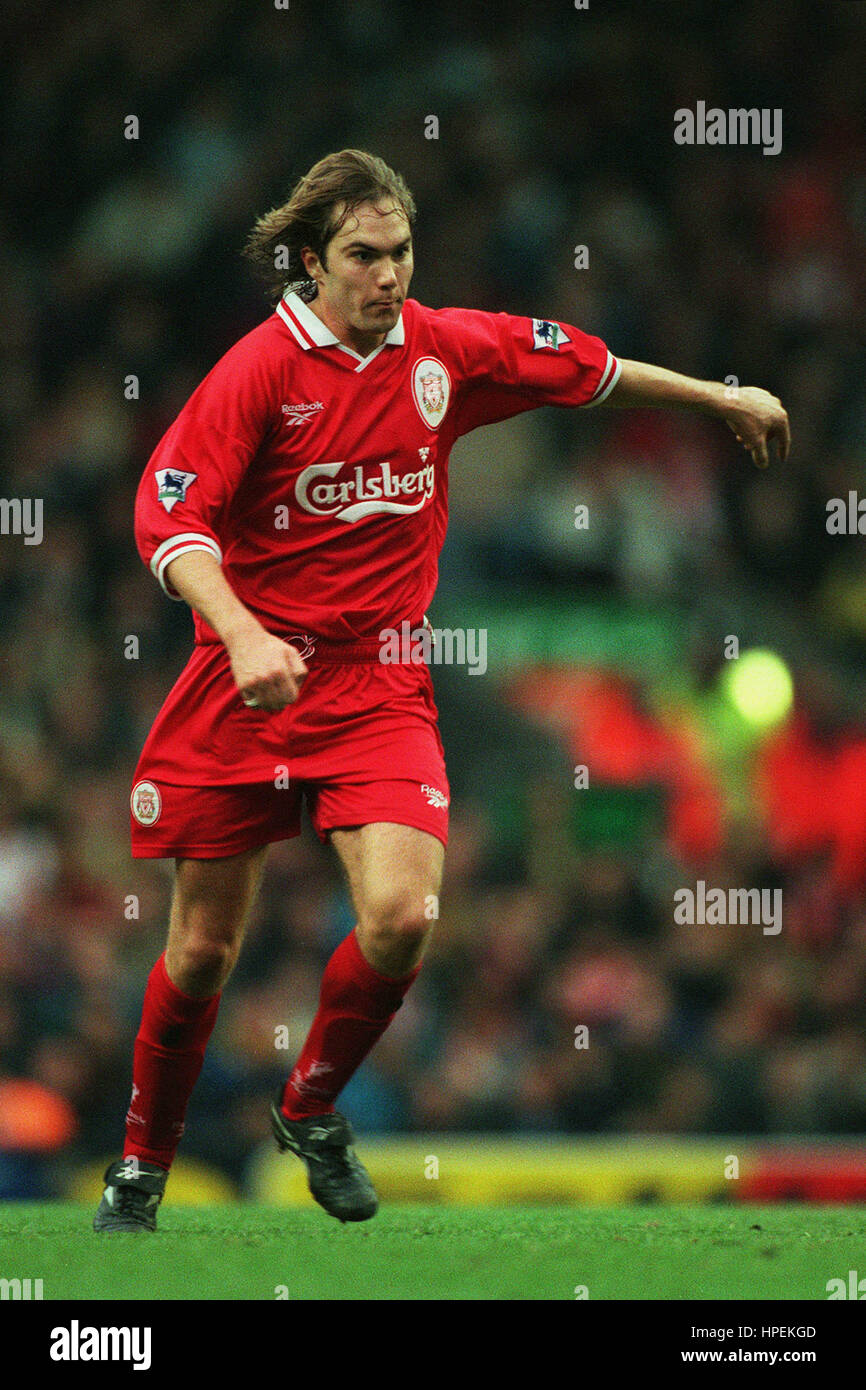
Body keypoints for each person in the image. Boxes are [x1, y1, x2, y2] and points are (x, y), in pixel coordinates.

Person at [94, 148, 790, 1231]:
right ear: (312, 265)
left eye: (400, 252)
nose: (387, 275)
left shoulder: (440, 349)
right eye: (363, 256)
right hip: (250, 682)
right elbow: (169, 519)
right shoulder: (256, 374)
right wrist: (239, 634)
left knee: (404, 916)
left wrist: (718, 395)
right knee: (199, 951)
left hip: (378, 688)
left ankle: (311, 1106)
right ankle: (141, 1166)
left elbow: (583, 365)